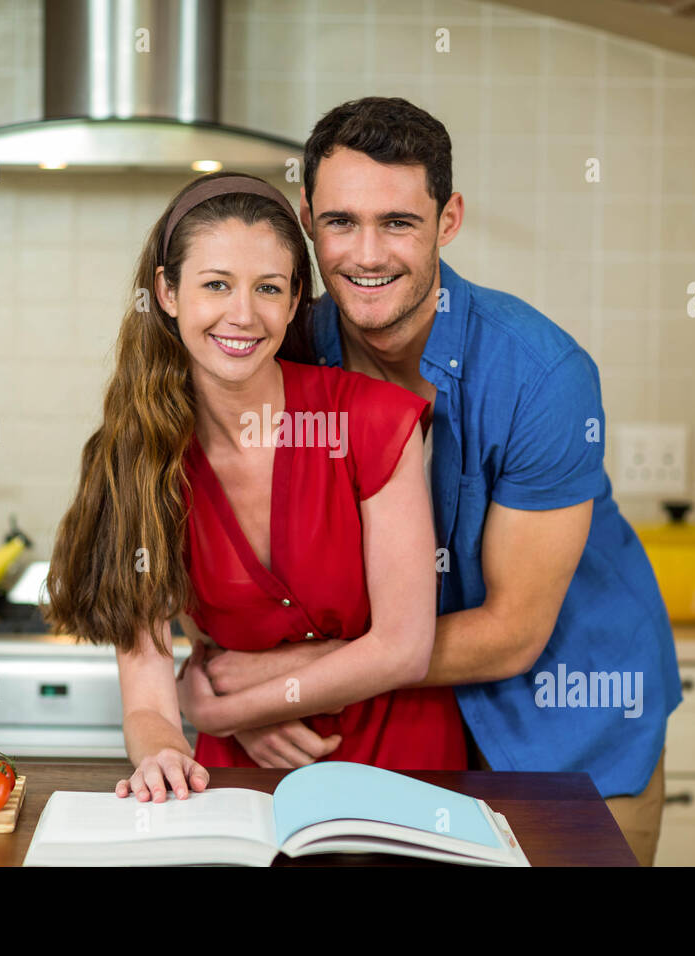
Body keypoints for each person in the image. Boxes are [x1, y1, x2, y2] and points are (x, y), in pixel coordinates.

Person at [178, 98, 683, 866]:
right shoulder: (283, 350)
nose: (367, 254)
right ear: (309, 220)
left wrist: (277, 680)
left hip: (566, 733)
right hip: (390, 741)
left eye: (400, 223)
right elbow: (224, 545)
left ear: (448, 220)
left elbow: (513, 632)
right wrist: (232, 700)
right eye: (342, 222)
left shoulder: (542, 376)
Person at [45, 171, 467, 805]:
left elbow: (404, 649)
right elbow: (150, 700)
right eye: (216, 285)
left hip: (406, 775)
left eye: (268, 288)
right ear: (167, 292)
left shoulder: (372, 421)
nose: (242, 315)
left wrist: (229, 710)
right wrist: (163, 748)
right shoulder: (132, 457)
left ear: (296, 300)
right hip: (236, 784)